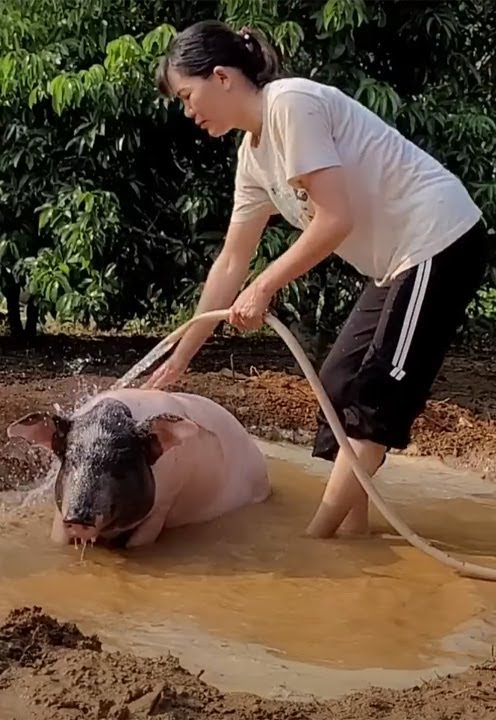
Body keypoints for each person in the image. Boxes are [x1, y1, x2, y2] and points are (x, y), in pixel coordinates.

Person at [146, 20, 490, 538]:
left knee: (378, 389)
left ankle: (320, 541)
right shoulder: (251, 157)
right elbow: (231, 262)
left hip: (438, 238)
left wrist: (264, 287)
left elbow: (335, 219)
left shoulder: (290, 104)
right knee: (337, 384)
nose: (189, 112)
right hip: (395, 261)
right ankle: (355, 532)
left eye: (188, 96)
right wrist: (180, 357)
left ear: (220, 77)